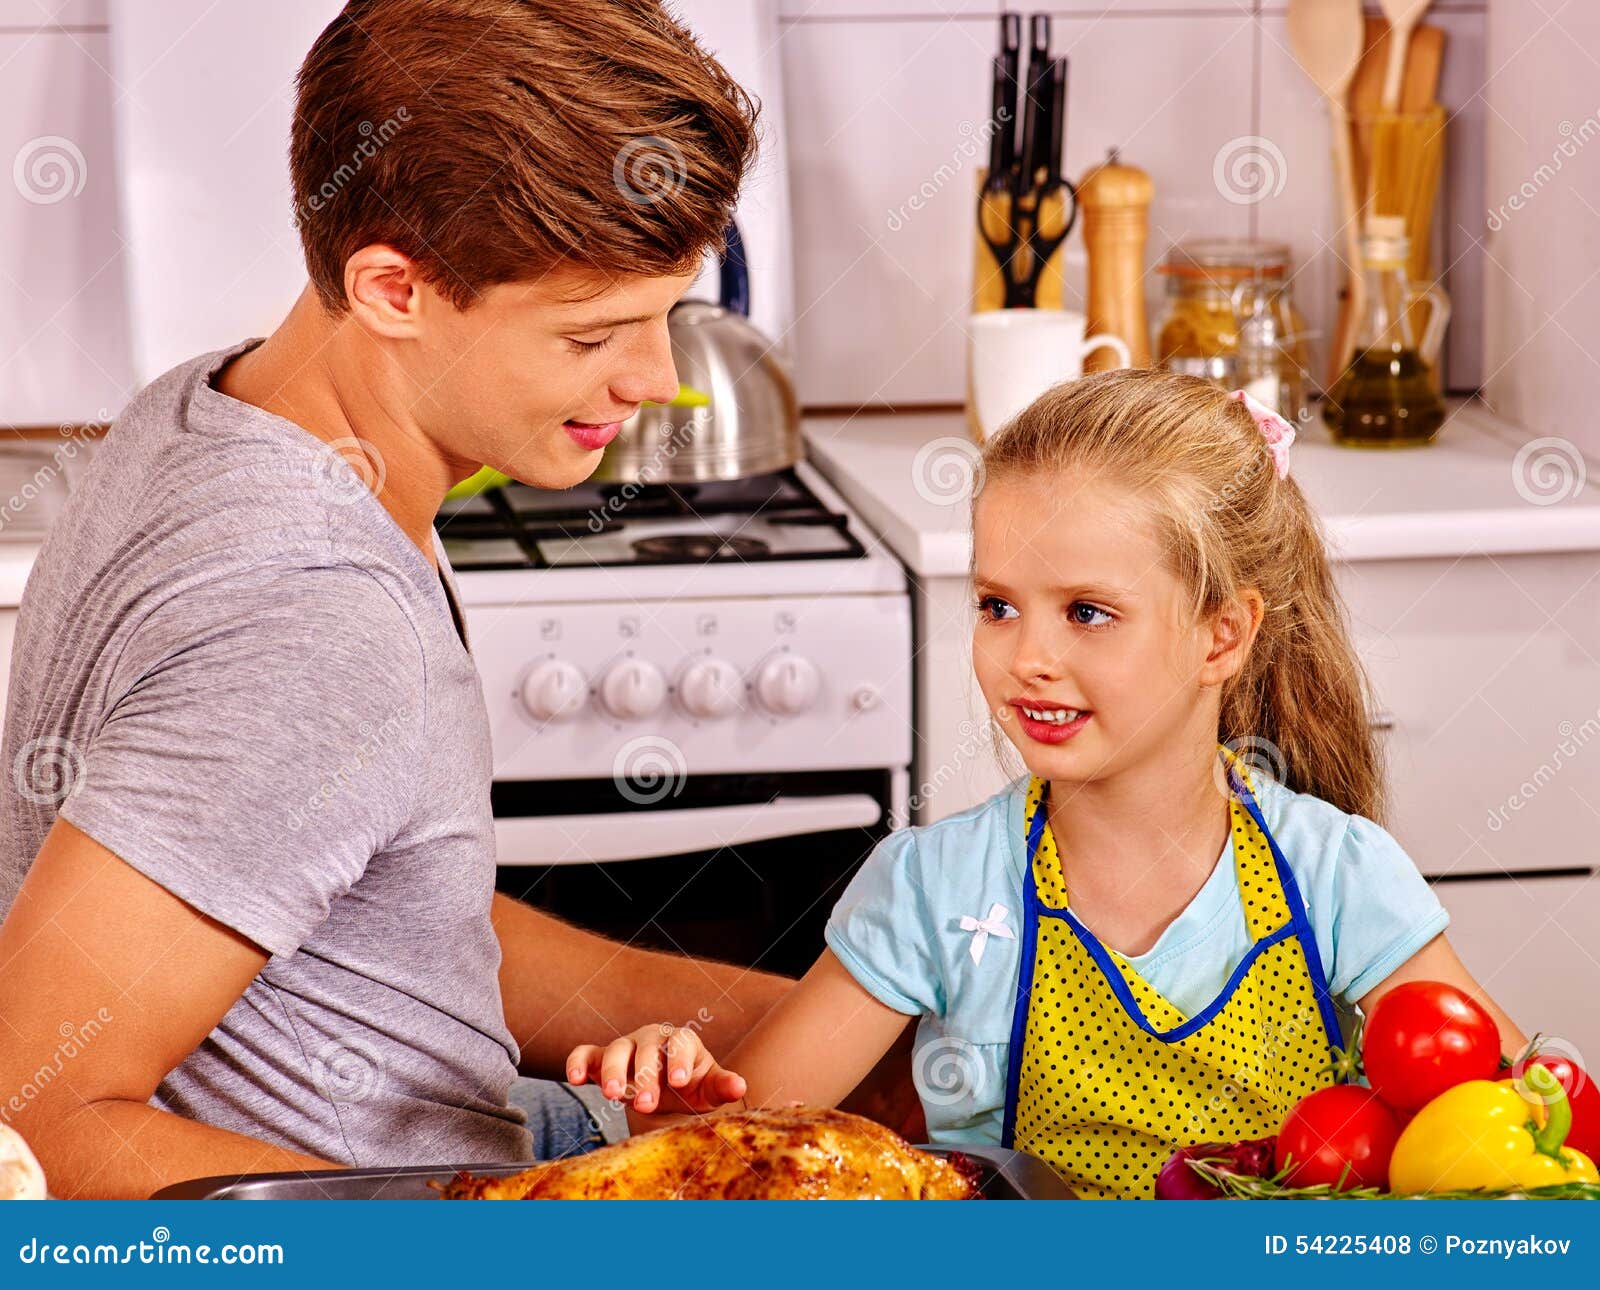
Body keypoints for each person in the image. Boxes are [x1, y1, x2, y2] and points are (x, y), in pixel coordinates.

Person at [0, 0, 788, 1199]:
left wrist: (812, 1014)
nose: (653, 380)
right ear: (392, 289)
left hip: (466, 1139)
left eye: (664, 314)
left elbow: (358, 912)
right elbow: (34, 1118)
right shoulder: (312, 617)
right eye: (594, 335)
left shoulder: (217, 405)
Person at [570, 370, 1528, 1200]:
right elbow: (731, 1161)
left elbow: (1527, 1130)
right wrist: (680, 1095)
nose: (1028, 658)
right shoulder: (935, 888)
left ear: (1222, 636)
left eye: (1087, 612)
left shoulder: (1337, 877)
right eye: (997, 606)